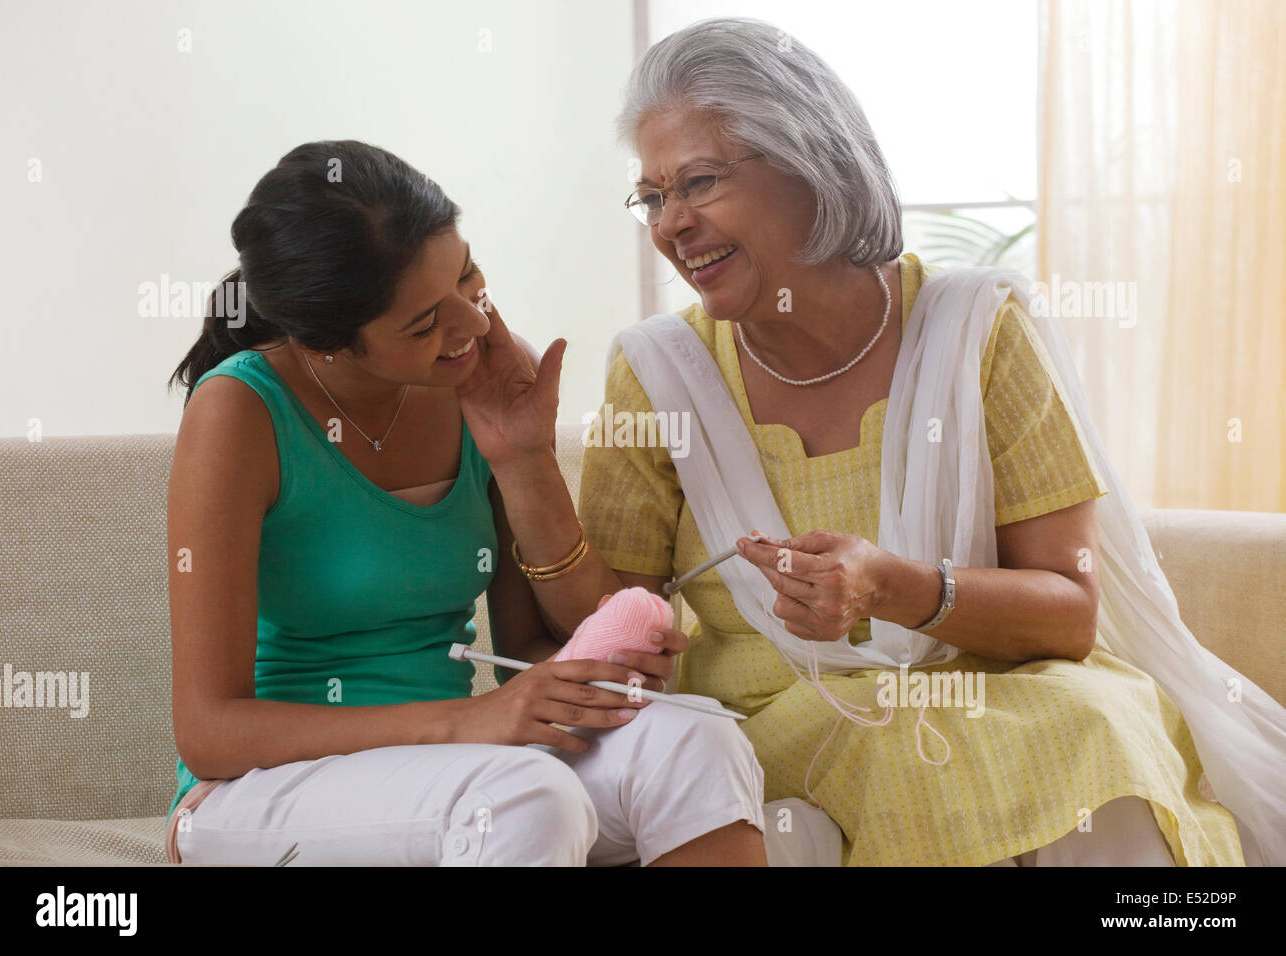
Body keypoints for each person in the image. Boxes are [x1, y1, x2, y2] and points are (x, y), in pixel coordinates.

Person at [495, 18, 1250, 866]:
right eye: (653, 197)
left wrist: (892, 587)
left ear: (810, 163)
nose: (671, 225)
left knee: (1096, 729)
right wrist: (522, 461)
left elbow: (1071, 618)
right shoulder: (659, 370)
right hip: (778, 728)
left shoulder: (977, 330)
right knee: (828, 777)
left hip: (993, 699)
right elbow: (614, 622)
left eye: (698, 183)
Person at [162, 139, 768, 867]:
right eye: (423, 323)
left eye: (468, 275)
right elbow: (211, 731)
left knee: (697, 740)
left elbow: (521, 658)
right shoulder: (239, 410)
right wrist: (471, 722)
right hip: (258, 792)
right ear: (328, 342)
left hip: (458, 761)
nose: (473, 325)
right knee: (520, 797)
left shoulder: (470, 378)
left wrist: (523, 459)